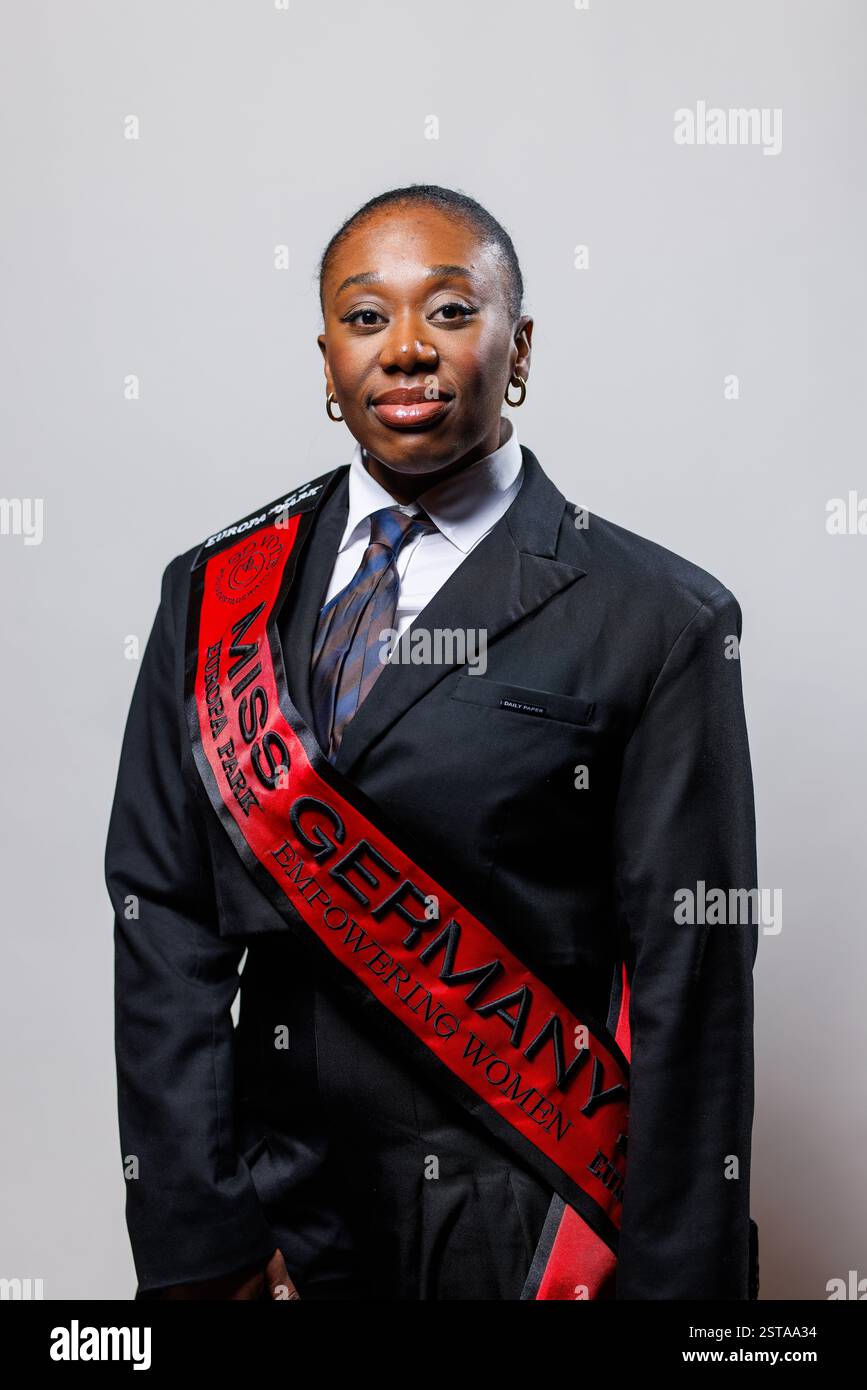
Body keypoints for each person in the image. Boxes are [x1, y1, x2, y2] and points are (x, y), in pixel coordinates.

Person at [105, 183, 759, 1301]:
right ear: (326, 360)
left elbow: (692, 982)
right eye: (366, 318)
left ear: (520, 347)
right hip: (279, 1204)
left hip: (534, 1214)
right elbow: (160, 916)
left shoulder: (660, 617)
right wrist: (200, 1235)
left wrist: (679, 1289)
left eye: (451, 311)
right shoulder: (214, 590)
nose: (405, 348)